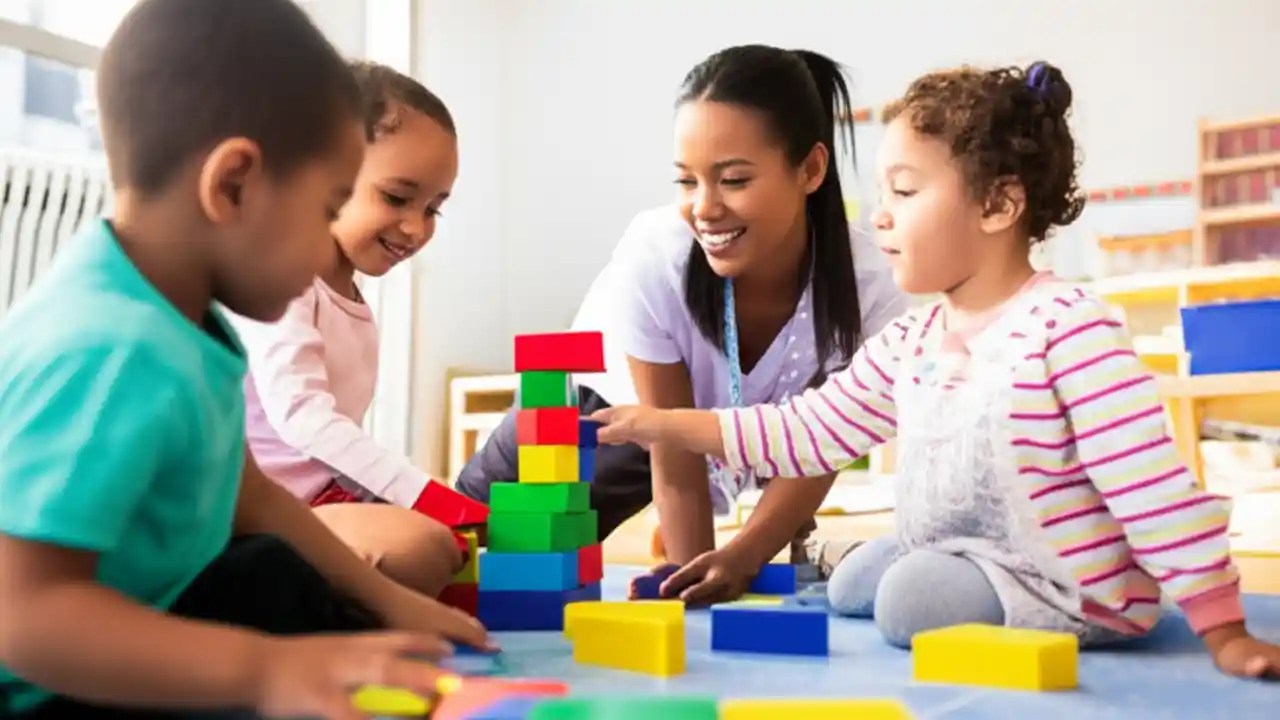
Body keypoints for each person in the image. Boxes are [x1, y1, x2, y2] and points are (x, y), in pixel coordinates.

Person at [589, 60, 1280, 679]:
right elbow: (808, 429)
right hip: (975, 550)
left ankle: (956, 574)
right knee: (856, 579)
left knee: (903, 599)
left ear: (997, 205)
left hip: (1066, 586)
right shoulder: (913, 338)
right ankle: (928, 562)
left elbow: (1153, 488)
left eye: (907, 194)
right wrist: (668, 425)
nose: (881, 220)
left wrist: (1223, 629)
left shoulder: (1071, 329)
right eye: (882, 197)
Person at [0, 1, 490, 718]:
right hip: (48, 688)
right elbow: (23, 620)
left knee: (281, 577)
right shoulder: (108, 347)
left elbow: (248, 493)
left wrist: (388, 599)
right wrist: (262, 671)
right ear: (232, 185)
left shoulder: (184, 321)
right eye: (326, 210)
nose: (330, 248)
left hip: (156, 609)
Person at [455, 45, 907, 588]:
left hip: (757, 435)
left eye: (734, 180)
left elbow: (825, 439)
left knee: (758, 560)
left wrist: (739, 559)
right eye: (688, 181)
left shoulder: (875, 284)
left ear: (810, 169)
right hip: (603, 419)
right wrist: (692, 582)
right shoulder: (657, 254)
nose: (705, 208)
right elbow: (674, 461)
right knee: (463, 555)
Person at [231, 61, 466, 598]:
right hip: (257, 517)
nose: (416, 227)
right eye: (396, 197)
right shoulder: (283, 279)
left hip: (318, 502)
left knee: (441, 549)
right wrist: (425, 494)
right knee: (423, 549)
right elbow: (304, 421)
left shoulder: (347, 294)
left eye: (434, 209)